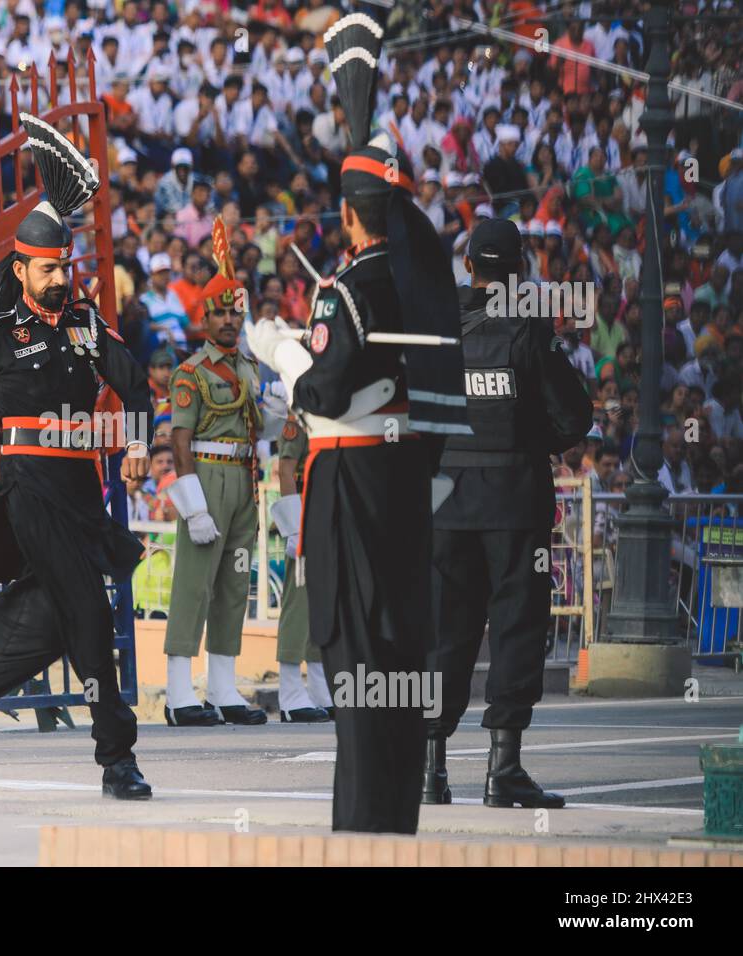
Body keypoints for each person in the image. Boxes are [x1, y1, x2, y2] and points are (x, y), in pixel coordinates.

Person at [247, 11, 470, 834]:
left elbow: (329, 393)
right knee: (398, 662)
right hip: (411, 483)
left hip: (351, 486)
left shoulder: (345, 290)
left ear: (348, 216)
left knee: (353, 662)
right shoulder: (424, 283)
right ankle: (393, 823)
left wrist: (281, 354)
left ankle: (361, 836)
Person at [0, 114, 155, 800]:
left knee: (45, 630)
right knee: (93, 619)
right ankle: (117, 761)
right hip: (28, 493)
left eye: (65, 267)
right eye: (48, 269)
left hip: (81, 494)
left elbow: (135, 385)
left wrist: (137, 441)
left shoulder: (85, 324)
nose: (59, 279)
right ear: (21, 268)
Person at [422, 218, 592, 810]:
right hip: (514, 503)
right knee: (517, 628)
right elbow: (574, 416)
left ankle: (429, 770)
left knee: (444, 632)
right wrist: (528, 442)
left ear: (468, 266)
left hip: (445, 502)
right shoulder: (529, 327)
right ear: (517, 270)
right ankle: (503, 770)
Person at [161, 217, 283, 727]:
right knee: (194, 583)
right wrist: (192, 506)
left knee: (235, 585)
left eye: (235, 314)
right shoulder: (191, 371)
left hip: (243, 477)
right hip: (206, 475)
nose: (229, 322)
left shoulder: (251, 368)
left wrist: (277, 408)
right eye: (220, 315)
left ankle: (222, 687)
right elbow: (180, 440)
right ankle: (176, 693)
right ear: (205, 320)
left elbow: (264, 429)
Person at [270, 418, 332, 722]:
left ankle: (320, 688)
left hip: (328, 507)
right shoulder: (299, 420)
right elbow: (285, 469)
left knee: (323, 602)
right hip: (305, 510)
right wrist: (294, 526)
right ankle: (291, 691)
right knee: (299, 603)